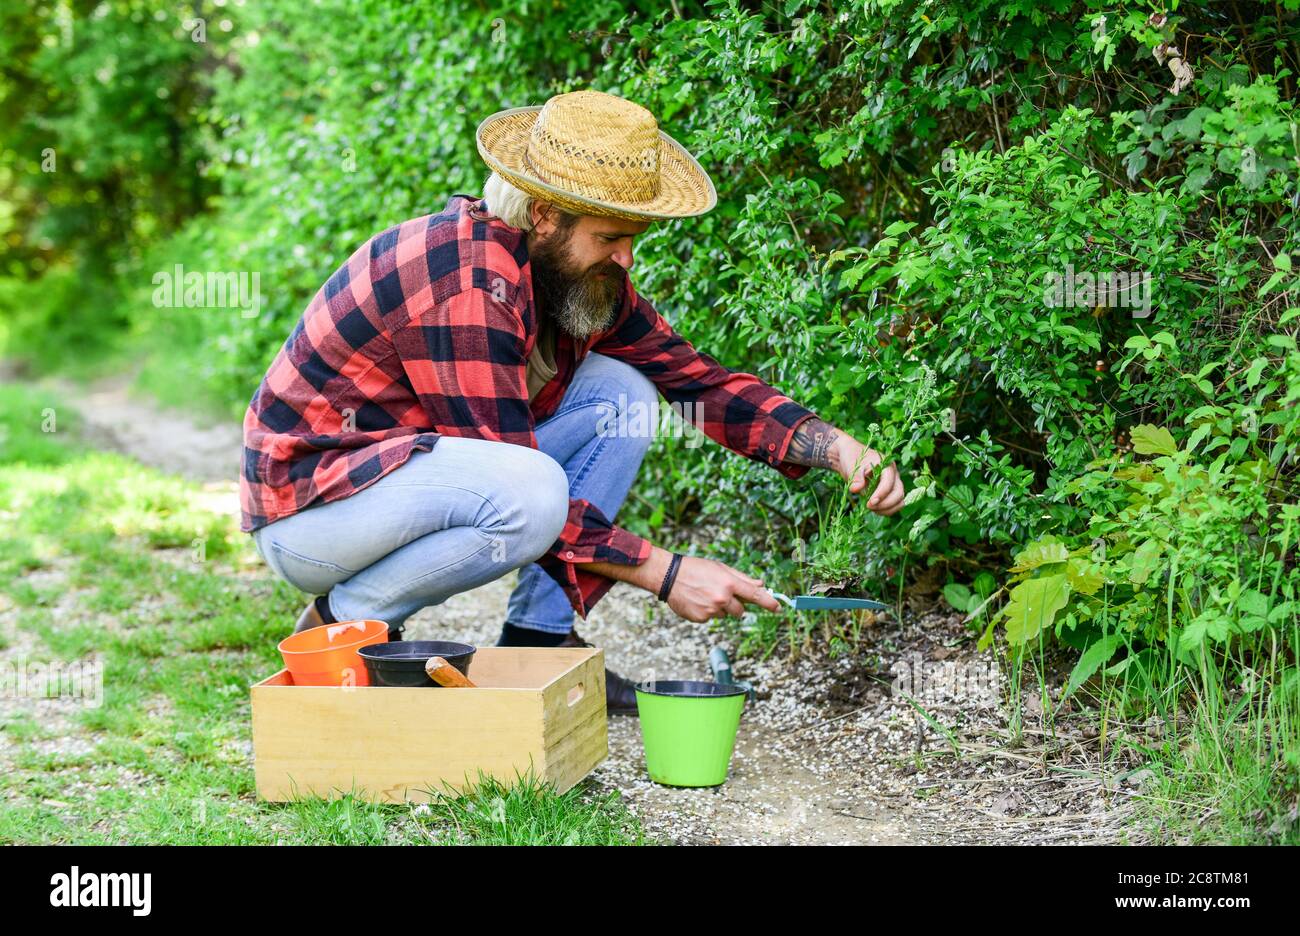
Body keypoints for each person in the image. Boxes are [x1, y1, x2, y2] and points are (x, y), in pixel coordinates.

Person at [240, 89, 905, 715]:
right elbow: (510, 475)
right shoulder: (467, 280)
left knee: (625, 394)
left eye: (633, 239)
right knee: (527, 492)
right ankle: (345, 621)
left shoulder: (570, 274)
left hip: (399, 478)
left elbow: (698, 381)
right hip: (313, 510)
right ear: (545, 215)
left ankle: (537, 639)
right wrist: (667, 573)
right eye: (609, 238)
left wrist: (833, 446)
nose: (625, 260)